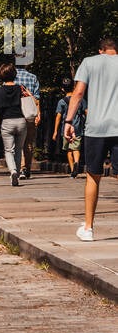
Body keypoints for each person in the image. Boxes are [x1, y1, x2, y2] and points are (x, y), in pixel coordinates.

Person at [64, 36, 118, 241]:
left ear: (101, 50)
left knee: (93, 176)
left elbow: (78, 93)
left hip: (96, 128)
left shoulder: (89, 62)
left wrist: (69, 121)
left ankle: (88, 228)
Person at [0, 62, 27, 185]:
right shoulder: (20, 88)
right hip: (21, 121)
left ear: (1, 75)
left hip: (7, 122)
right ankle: (18, 172)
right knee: (19, 149)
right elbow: (32, 100)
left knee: (9, 150)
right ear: (14, 74)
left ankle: (13, 171)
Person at [53, 77, 85, 178]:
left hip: (65, 129)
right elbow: (86, 112)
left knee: (69, 150)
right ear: (73, 87)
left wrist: (55, 131)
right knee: (76, 149)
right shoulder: (81, 100)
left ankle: (72, 171)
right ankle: (76, 162)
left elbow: (58, 117)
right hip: (78, 127)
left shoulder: (61, 102)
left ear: (63, 89)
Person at [15, 60, 41, 179]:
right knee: (28, 142)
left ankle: (20, 168)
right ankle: (26, 169)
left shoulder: (11, 77)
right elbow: (37, 98)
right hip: (30, 113)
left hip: (16, 113)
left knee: (17, 142)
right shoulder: (33, 77)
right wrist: (38, 113)